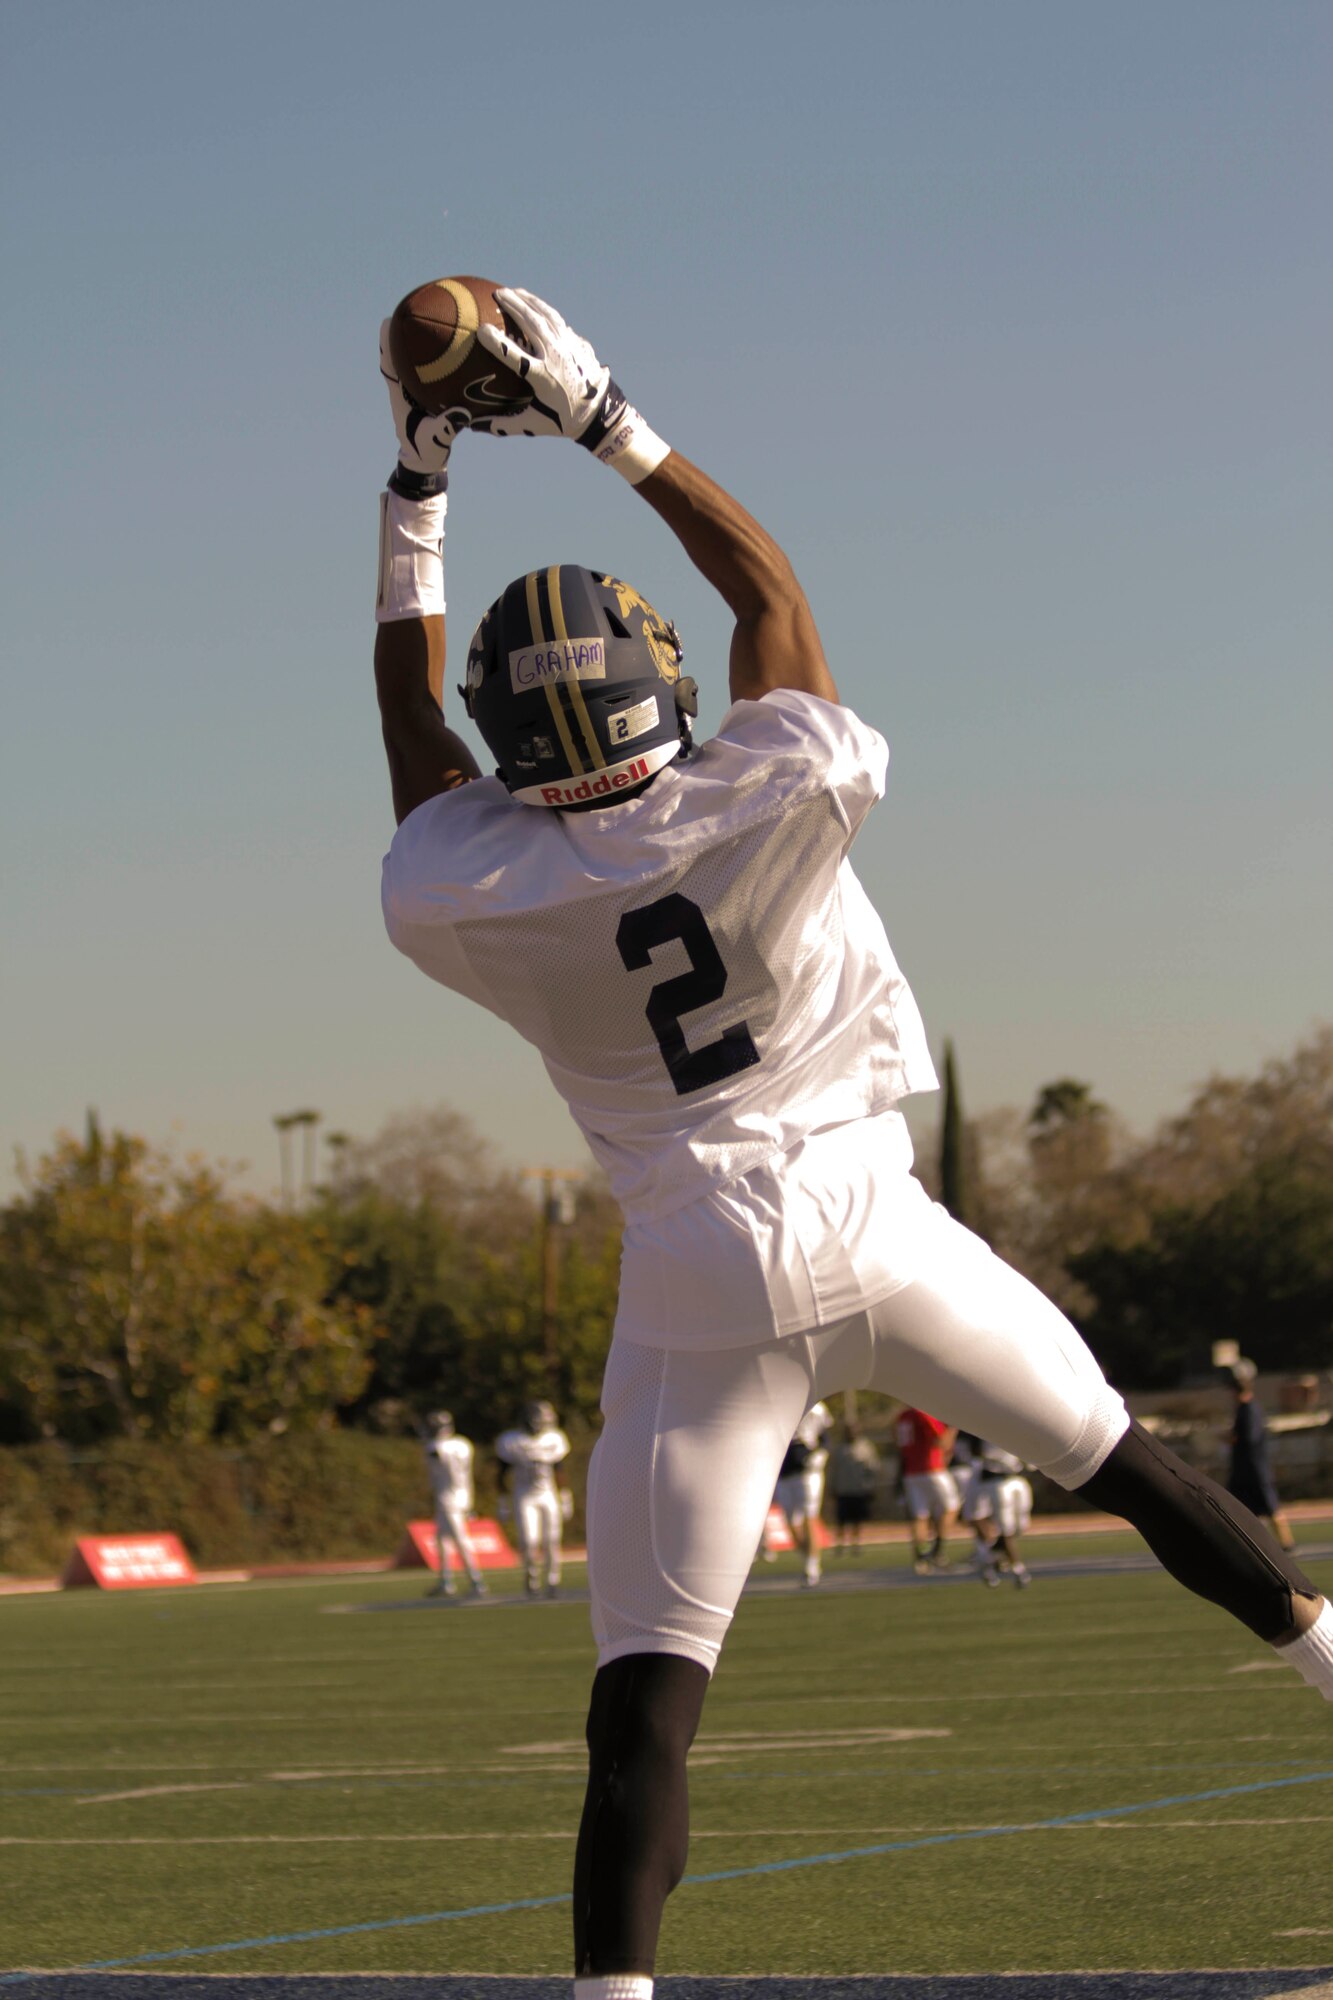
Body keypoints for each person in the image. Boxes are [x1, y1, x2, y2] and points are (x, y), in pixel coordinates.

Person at [372, 284, 1333, 2000]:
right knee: (1132, 1472)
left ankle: (614, 1995)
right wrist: (607, 423)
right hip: (875, 1228)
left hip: (696, 1280)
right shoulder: (778, 789)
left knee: (644, 1698)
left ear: (507, 754)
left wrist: (415, 489)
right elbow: (767, 593)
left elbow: (409, 737)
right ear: (663, 689)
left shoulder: (477, 887)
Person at [495, 1399, 573, 1598]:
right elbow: (502, 1473)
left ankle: (553, 1580)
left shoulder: (553, 1438)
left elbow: (559, 1468)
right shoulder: (513, 1441)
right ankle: (532, 1578)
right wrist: (502, 1501)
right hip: (524, 1495)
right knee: (529, 1540)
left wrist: (565, 1496)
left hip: (548, 1494)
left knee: (552, 1539)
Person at [1227, 1360, 1297, 1552]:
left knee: (1271, 1507)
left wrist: (1230, 1438)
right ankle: (1253, 1545)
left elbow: (1249, 1437)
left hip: (1254, 1469)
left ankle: (1288, 1544)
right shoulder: (1244, 1409)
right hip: (1243, 1470)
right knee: (1243, 1510)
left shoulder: (1249, 1409)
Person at [420, 1408, 486, 1599]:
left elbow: (436, 1465)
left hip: (447, 1497)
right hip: (464, 1493)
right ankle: (445, 1581)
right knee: (441, 1539)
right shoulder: (462, 1444)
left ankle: (476, 1581)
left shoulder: (435, 1447)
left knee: (460, 1539)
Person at [774, 1399, 833, 1586]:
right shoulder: (779, 1403)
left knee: (809, 1517)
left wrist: (820, 1455)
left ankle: (811, 1567)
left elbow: (825, 1439)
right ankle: (808, 1558)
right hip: (784, 1470)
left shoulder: (817, 1408)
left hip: (807, 1471)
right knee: (790, 1522)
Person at [895, 1405, 960, 1574]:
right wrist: (954, 1428)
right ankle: (937, 1551)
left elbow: (900, 1445)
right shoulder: (924, 1413)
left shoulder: (903, 1416)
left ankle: (921, 1558)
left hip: (911, 1472)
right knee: (952, 1507)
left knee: (920, 1516)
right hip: (932, 1469)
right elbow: (942, 1442)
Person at [962, 1437, 1034, 1588]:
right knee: (1005, 1527)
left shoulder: (1019, 1431)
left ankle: (989, 1554)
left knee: (1020, 1527)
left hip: (1018, 1479)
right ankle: (1018, 1569)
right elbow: (974, 1515)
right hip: (995, 1480)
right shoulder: (982, 1449)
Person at [829, 1419, 881, 1554]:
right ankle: (839, 1545)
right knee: (841, 1521)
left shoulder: (866, 1447)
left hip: (858, 1489)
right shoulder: (839, 1449)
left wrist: (871, 1486)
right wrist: (832, 1486)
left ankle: (855, 1544)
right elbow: (833, 1470)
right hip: (843, 1490)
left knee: (857, 1520)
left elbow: (872, 1468)